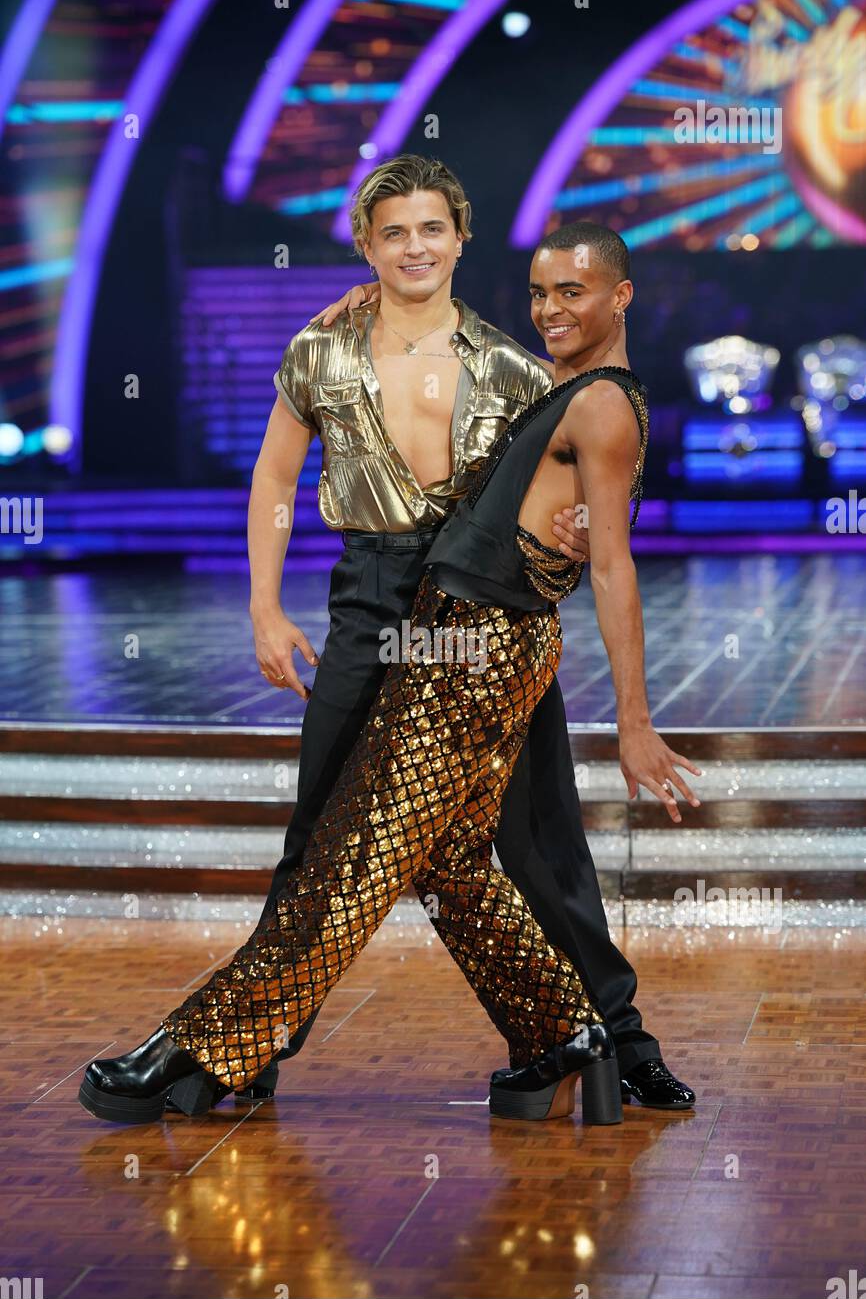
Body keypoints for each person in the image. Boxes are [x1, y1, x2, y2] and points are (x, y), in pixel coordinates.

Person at [78, 220, 701, 1131]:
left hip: (475, 650)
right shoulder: (552, 385)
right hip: (441, 633)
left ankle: (205, 1043)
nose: (550, 309)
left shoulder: (601, 404)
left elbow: (612, 564)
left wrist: (635, 721)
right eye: (539, 292)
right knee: (446, 862)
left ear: (621, 295)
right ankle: (564, 1032)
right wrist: (361, 306)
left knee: (353, 859)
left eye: (572, 292)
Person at [245, 157, 697, 1109]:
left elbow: (588, 484)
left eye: (431, 230)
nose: (415, 247)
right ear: (368, 245)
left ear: (461, 240)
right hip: (370, 604)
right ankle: (252, 1041)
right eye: (393, 233)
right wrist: (264, 604)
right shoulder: (321, 348)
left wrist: (572, 540)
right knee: (319, 833)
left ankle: (615, 1038)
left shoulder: (517, 367)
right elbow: (277, 482)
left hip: (480, 614)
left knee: (540, 839)